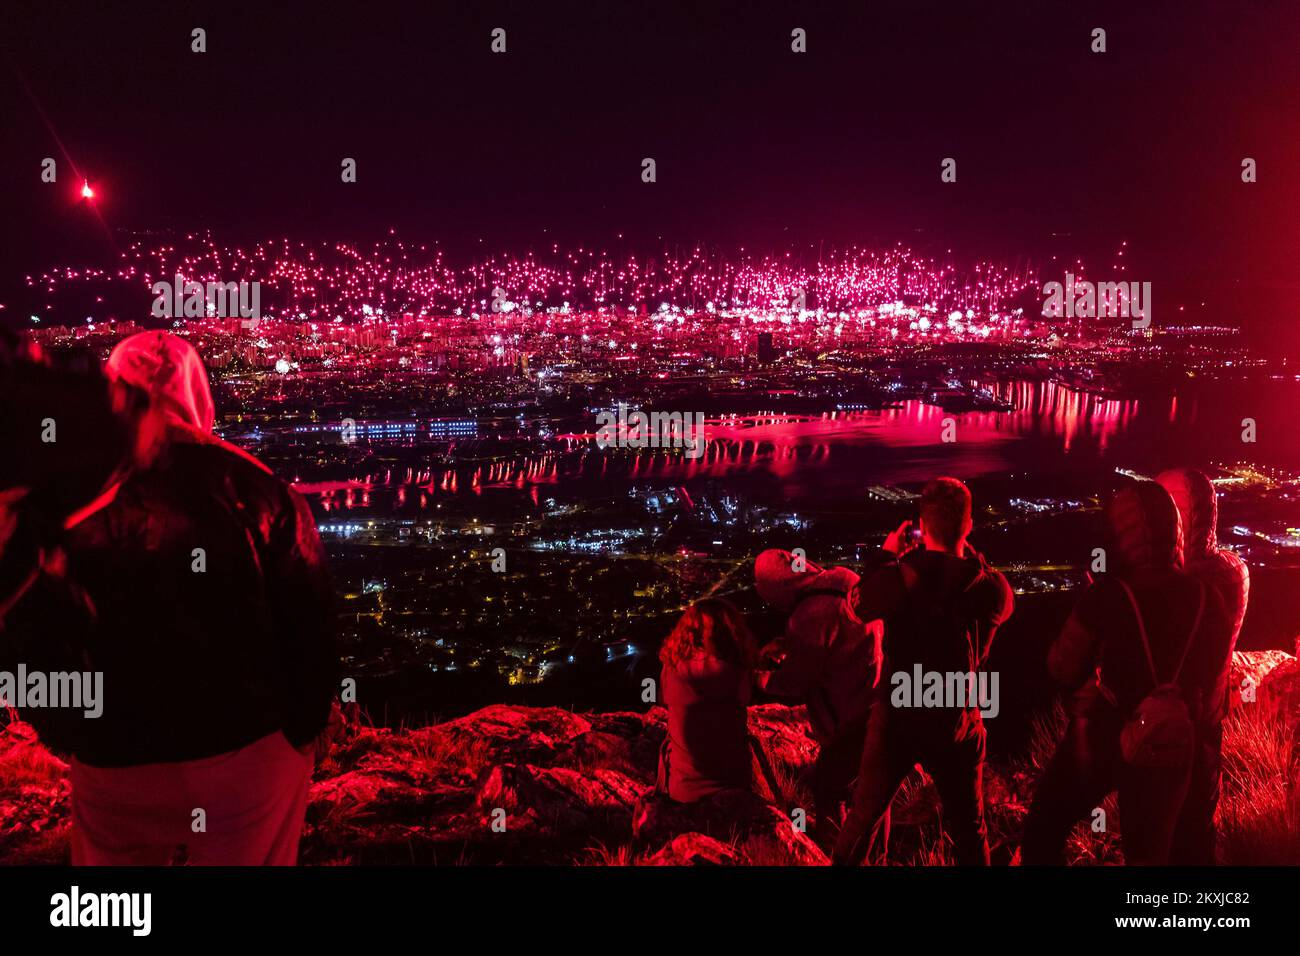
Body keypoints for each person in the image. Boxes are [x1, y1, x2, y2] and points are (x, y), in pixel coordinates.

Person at [5, 331, 339, 865]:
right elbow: (310, 622)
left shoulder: (72, 496)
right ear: (198, 394)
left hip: (114, 752)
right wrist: (298, 732)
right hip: (246, 751)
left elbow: (30, 621)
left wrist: (67, 733)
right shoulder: (262, 488)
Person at [1021, 481, 1233, 865]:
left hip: (1107, 732)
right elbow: (1212, 678)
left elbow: (1061, 667)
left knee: (1044, 826)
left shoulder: (1107, 596)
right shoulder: (1208, 598)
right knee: (1171, 848)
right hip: (1179, 737)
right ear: (1175, 530)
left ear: (1120, 534)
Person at [833, 477, 1013, 866]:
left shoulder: (899, 578)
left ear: (922, 526)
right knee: (970, 830)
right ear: (968, 525)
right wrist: (969, 555)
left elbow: (855, 606)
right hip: (956, 716)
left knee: (863, 818)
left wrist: (887, 556)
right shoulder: (990, 589)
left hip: (899, 714)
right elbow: (1001, 602)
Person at [754, 548, 883, 849]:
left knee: (828, 790)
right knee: (873, 793)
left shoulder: (808, 616)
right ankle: (877, 851)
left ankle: (833, 851)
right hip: (876, 698)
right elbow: (839, 634)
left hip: (846, 716)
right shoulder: (844, 578)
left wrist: (758, 678)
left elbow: (795, 682)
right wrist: (790, 644)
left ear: (778, 588)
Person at [1157, 468, 1249, 864]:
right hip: (1210, 719)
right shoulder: (1234, 570)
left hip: (1168, 729)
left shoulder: (1177, 584)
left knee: (1164, 833)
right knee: (1198, 827)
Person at [656, 598, 760, 803]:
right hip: (732, 783)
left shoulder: (671, 668)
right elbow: (744, 699)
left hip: (684, 788)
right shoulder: (737, 671)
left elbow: (662, 701)